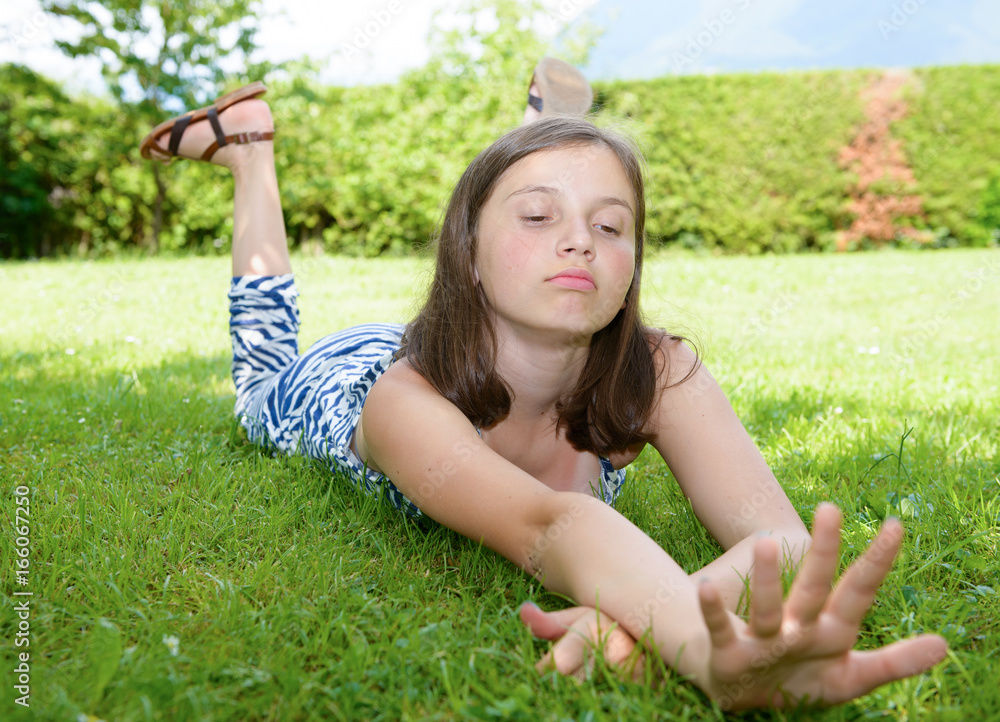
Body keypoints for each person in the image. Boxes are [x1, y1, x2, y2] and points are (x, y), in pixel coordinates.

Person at [139, 58, 947, 710]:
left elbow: (784, 540)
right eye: (537, 219)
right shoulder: (404, 404)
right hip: (344, 378)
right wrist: (701, 652)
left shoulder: (661, 367)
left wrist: (635, 623)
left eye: (608, 225)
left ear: (631, 271)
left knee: (539, 186)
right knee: (258, 380)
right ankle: (250, 151)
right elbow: (549, 527)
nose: (579, 244)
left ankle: (540, 141)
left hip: (474, 335)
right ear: (469, 256)